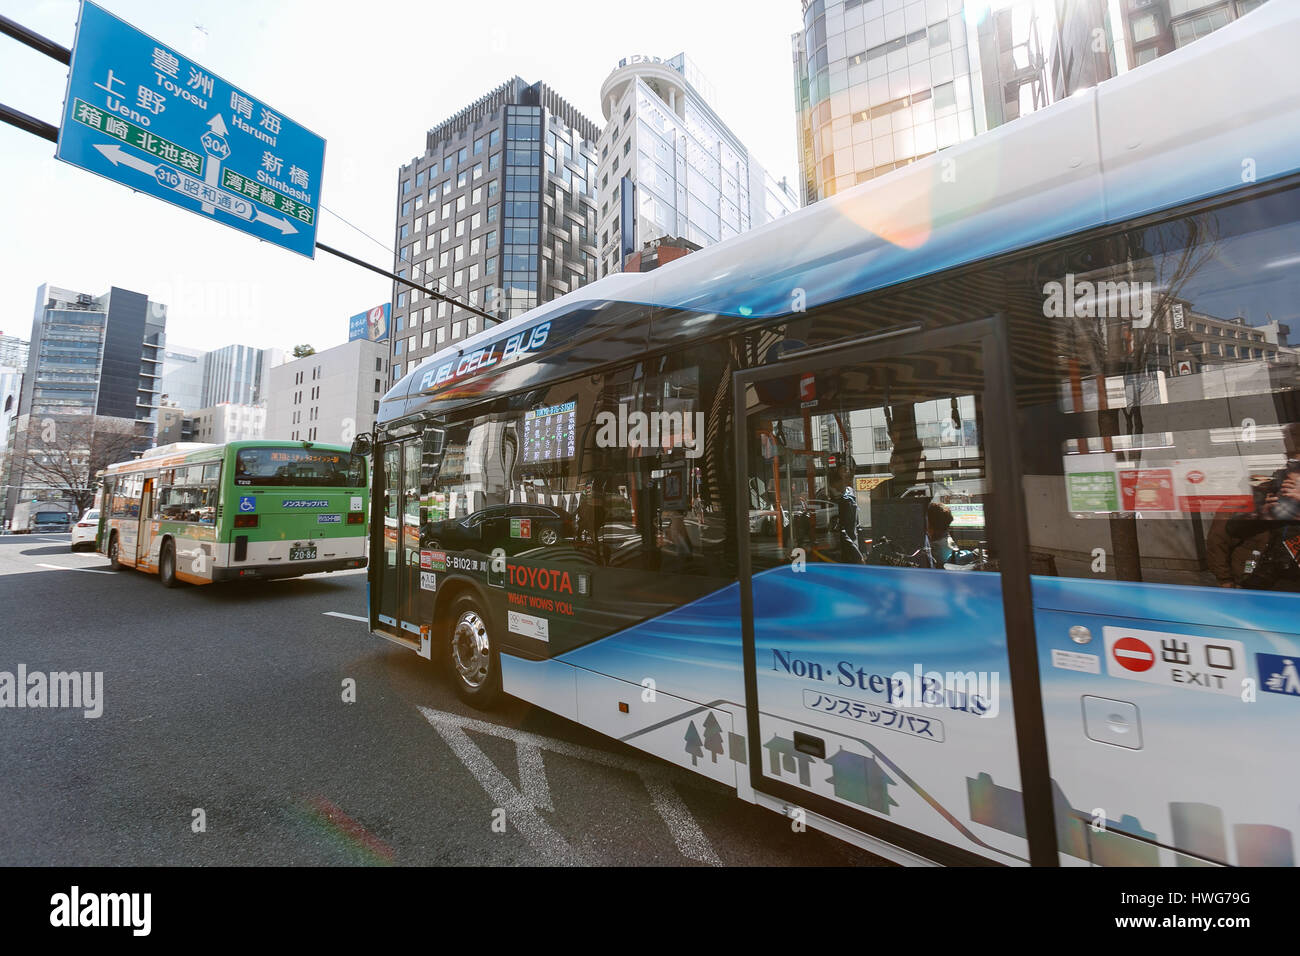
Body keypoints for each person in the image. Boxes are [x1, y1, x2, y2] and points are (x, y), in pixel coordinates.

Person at [827, 465, 863, 563]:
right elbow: (840, 532)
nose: (850, 477)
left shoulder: (849, 492)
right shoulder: (827, 498)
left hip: (853, 545)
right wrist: (857, 555)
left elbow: (856, 524)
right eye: (846, 474)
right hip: (840, 551)